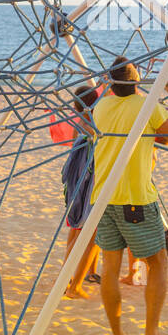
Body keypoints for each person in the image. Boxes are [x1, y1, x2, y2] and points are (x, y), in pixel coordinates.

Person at [91, 55, 168, 335]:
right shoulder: (147, 107)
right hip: (135, 199)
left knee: (110, 267)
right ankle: (151, 334)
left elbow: (160, 136)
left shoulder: (102, 106)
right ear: (136, 83)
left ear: (110, 83)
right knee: (158, 263)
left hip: (104, 197)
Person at [62, 84, 102, 299]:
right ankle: (71, 281)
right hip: (88, 184)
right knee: (90, 232)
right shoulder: (93, 124)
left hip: (76, 183)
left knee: (76, 228)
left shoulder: (79, 122)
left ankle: (85, 273)